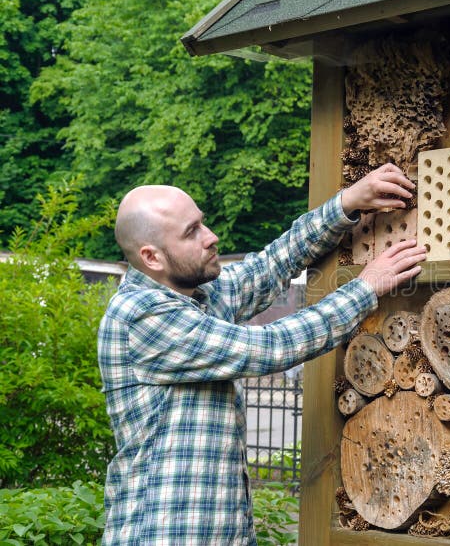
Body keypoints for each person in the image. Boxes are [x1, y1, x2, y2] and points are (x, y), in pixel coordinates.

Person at [97, 163, 426, 545]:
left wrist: (347, 204)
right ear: (152, 258)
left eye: (202, 223)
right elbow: (270, 348)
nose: (211, 237)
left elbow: (271, 265)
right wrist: (365, 288)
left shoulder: (197, 294)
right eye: (192, 233)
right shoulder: (141, 315)